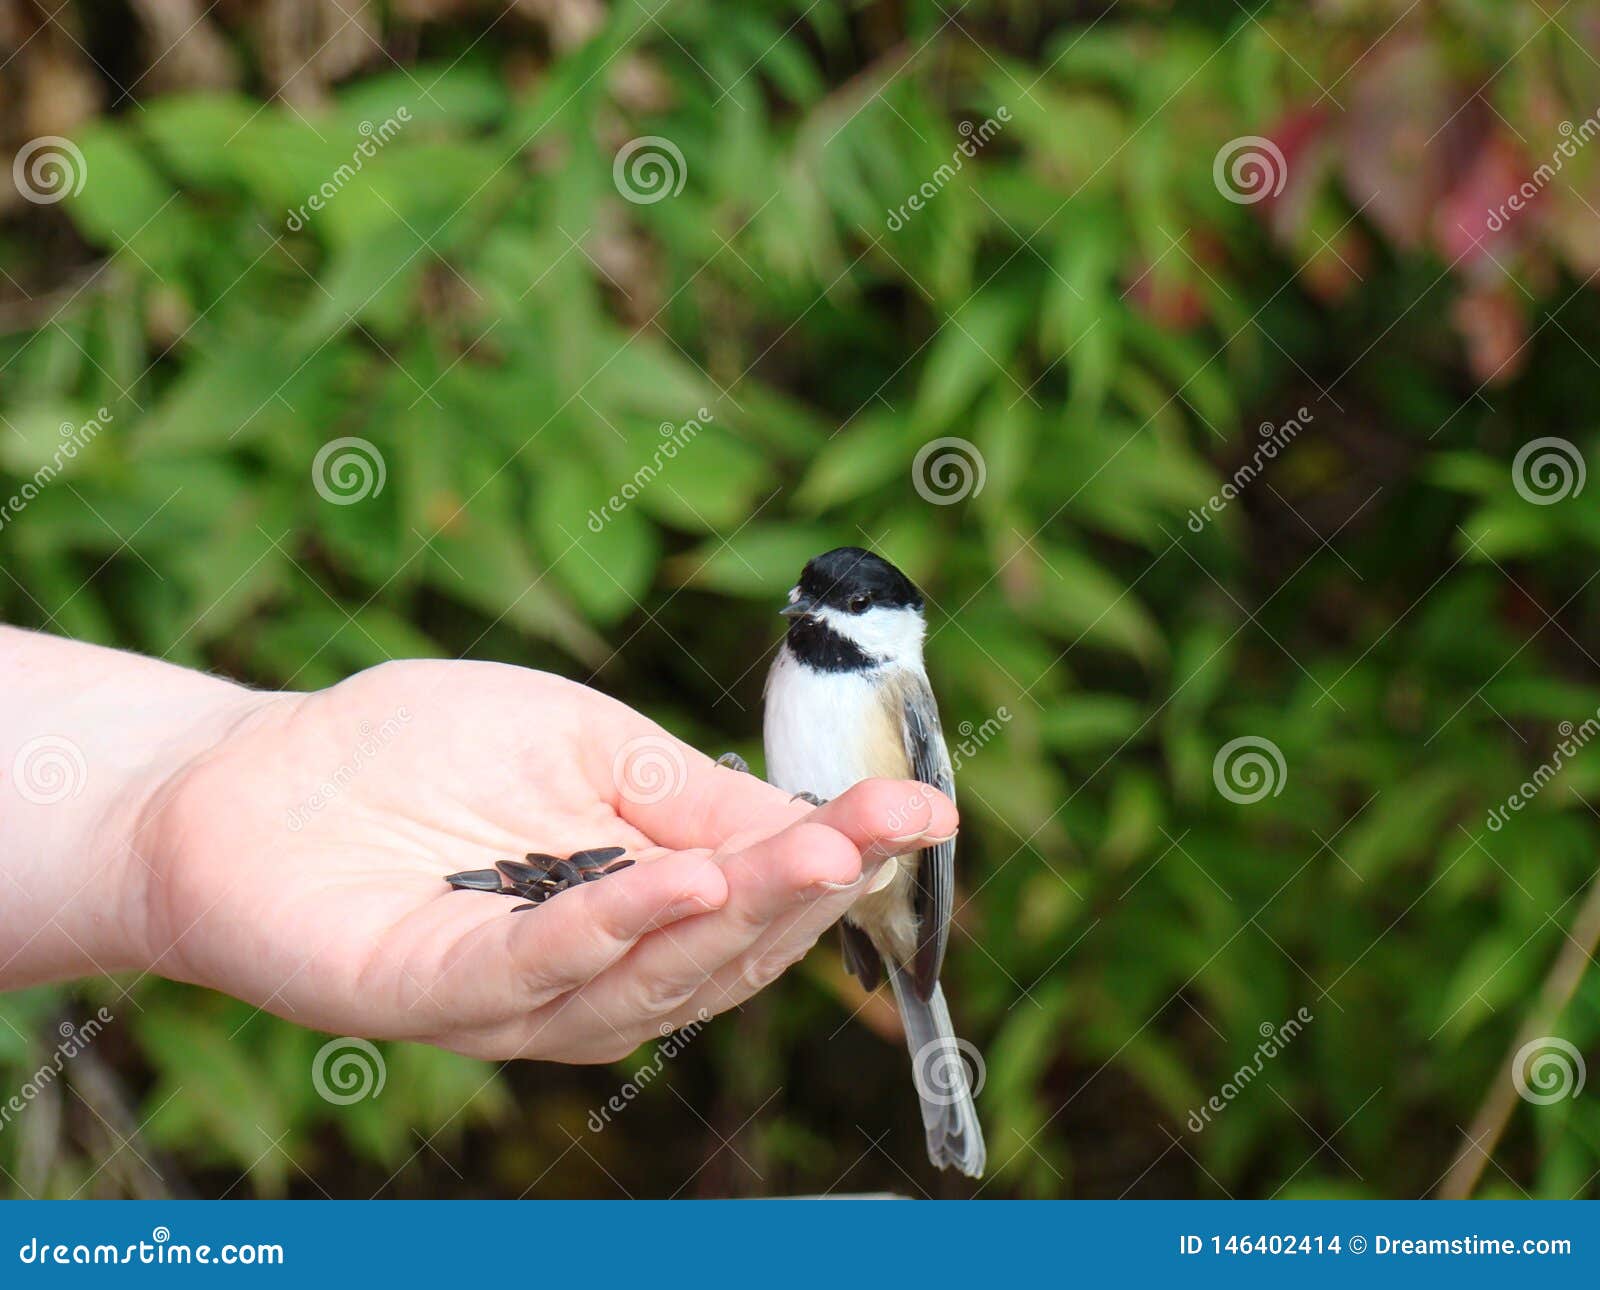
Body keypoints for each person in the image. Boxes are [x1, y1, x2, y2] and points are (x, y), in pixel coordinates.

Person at [0, 626, 958, 1063]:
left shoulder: (901, 689)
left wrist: (167, 795)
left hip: (873, 876)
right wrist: (161, 807)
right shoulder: (798, 657)